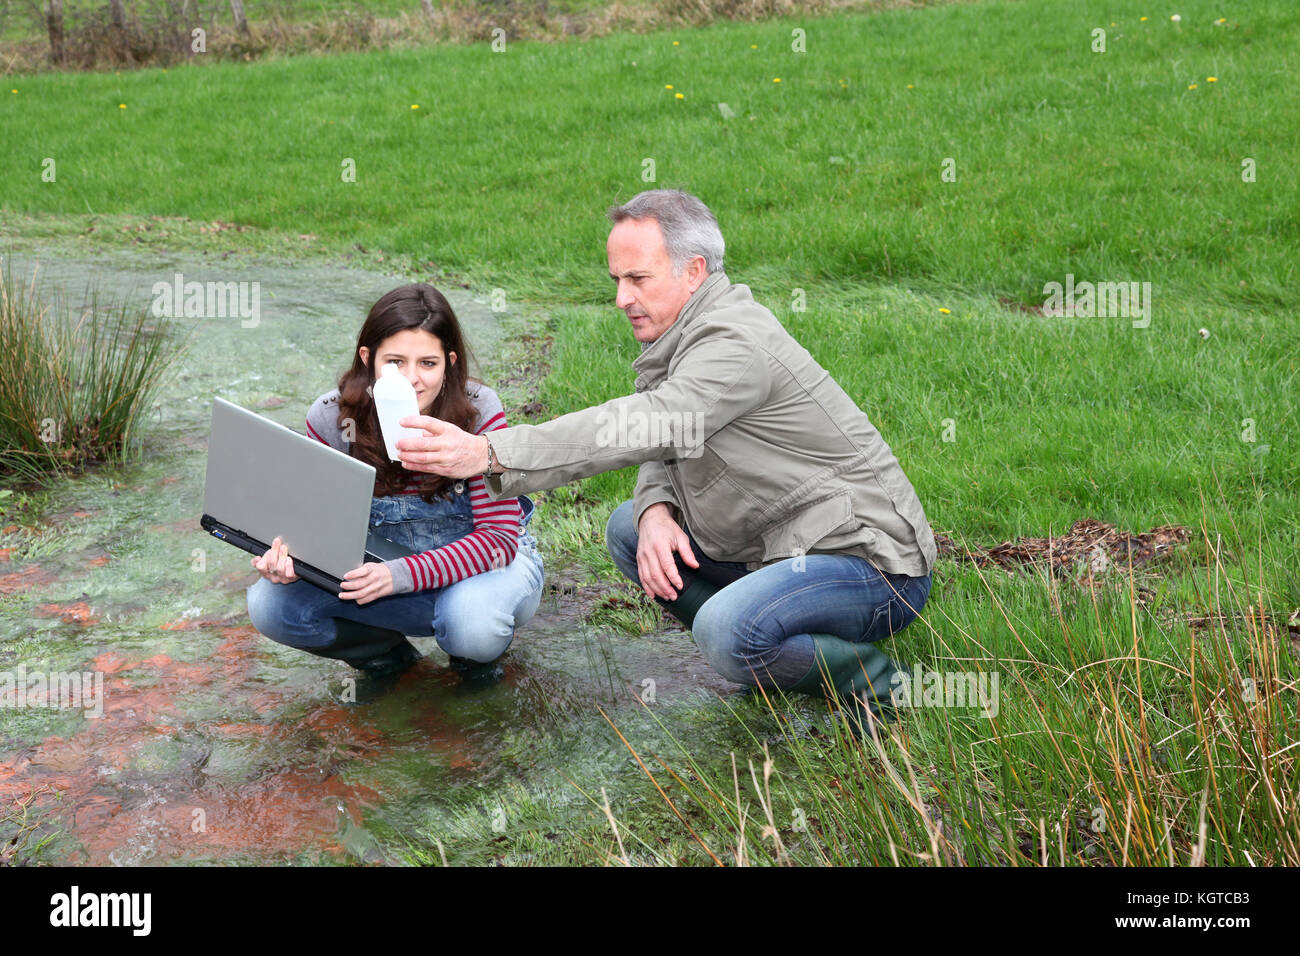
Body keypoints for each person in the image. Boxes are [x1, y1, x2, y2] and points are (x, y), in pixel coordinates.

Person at [393, 191, 936, 733]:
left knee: (727, 632)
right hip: (783, 541)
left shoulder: (734, 344)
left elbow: (650, 421)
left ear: (694, 270)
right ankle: (775, 653)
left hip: (871, 566)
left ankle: (875, 682)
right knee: (631, 529)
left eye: (638, 279)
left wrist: (491, 451)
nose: (622, 298)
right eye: (616, 281)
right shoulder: (686, 334)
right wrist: (655, 508)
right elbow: (668, 435)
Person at [244, 283, 545, 677]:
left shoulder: (479, 410)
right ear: (368, 359)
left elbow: (498, 541)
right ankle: (387, 657)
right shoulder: (332, 420)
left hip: (483, 575)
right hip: (383, 581)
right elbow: (319, 527)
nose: (411, 379)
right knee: (270, 605)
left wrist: (397, 576)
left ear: (450, 362)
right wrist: (291, 558)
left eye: (428, 363)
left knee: (471, 624)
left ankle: (471, 661)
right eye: (395, 362)